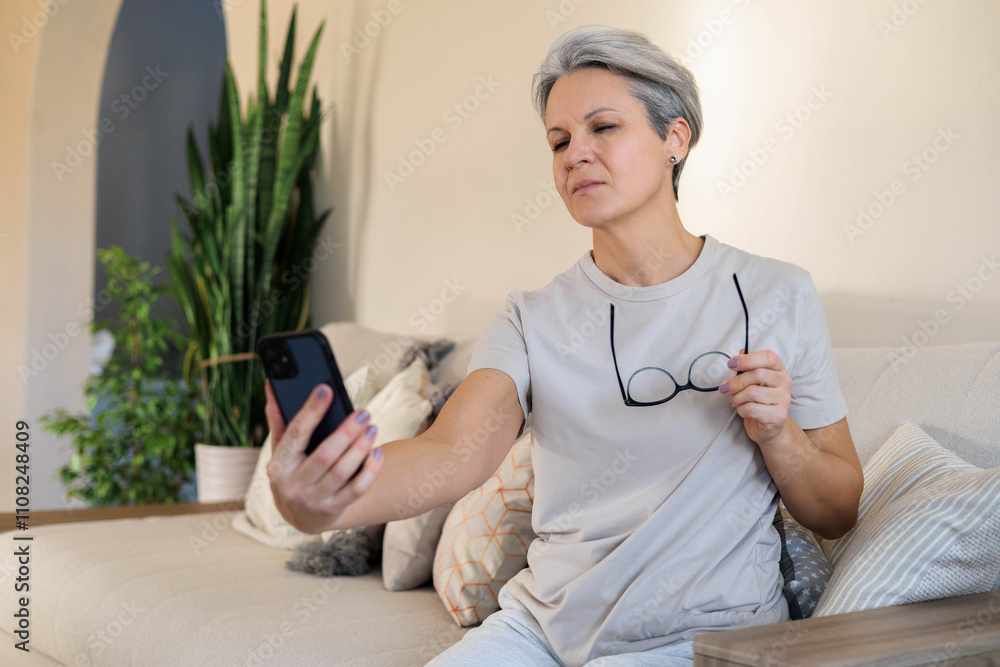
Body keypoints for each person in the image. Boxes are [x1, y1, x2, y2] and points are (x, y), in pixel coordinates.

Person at [263, 25, 864, 667]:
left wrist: (779, 437)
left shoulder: (777, 293)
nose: (576, 153)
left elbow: (838, 509)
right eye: (559, 140)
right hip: (541, 634)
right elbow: (454, 452)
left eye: (603, 128)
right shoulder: (532, 318)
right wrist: (318, 498)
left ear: (675, 138)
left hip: (708, 640)